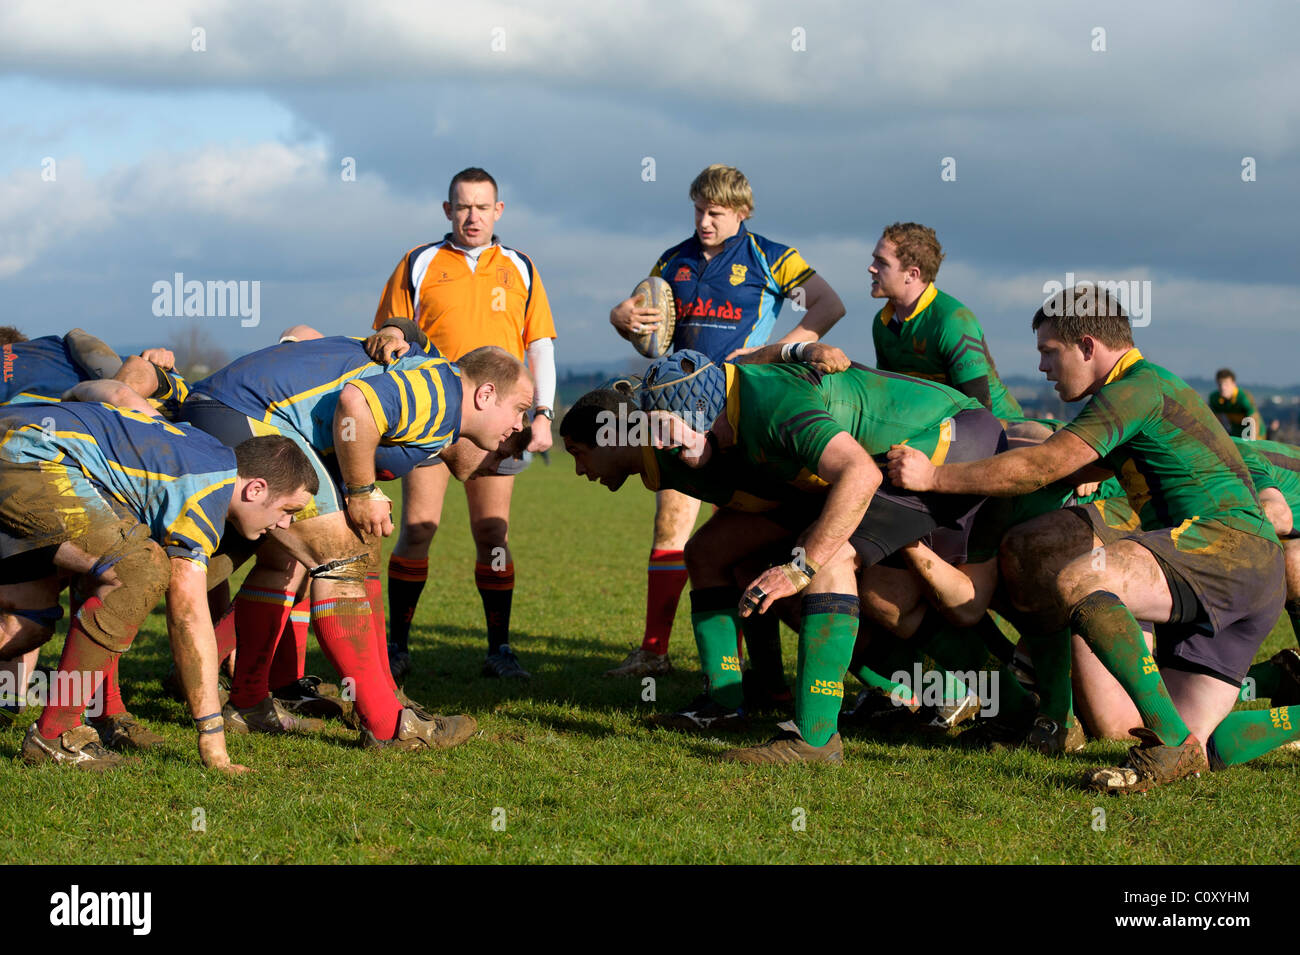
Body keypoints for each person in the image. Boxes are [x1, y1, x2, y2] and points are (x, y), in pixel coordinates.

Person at [887, 284, 1297, 792]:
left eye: (1048, 352)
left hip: (1221, 547)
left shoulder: (1135, 388)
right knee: (1178, 739)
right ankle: (1209, 736)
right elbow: (1060, 467)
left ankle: (1165, 743)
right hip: (1255, 577)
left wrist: (932, 479)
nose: (1042, 368)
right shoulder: (1144, 391)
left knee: (1081, 576)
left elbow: (1041, 465)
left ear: (1087, 345)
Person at [563, 347, 1004, 764]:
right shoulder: (679, 417)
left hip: (941, 439)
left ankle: (834, 729)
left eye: (580, 455)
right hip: (842, 475)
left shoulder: (765, 404)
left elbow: (855, 471)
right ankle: (729, 701)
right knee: (711, 554)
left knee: (851, 581)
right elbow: (731, 375)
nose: (580, 471)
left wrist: (798, 566)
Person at [181, 337, 531, 750]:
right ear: (485, 394)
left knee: (285, 560)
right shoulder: (443, 393)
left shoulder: (439, 388)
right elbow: (356, 402)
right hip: (243, 413)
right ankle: (387, 724)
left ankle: (249, 702)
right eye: (520, 410)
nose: (521, 427)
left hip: (227, 406)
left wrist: (398, 327)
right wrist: (361, 491)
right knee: (340, 559)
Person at [603, 164, 846, 679]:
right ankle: (654, 651)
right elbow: (643, 324)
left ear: (741, 212)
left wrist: (779, 348)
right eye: (698, 210)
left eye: (715, 213)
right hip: (681, 411)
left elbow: (829, 303)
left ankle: (744, 668)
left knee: (735, 540)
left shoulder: (769, 257)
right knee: (670, 529)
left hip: (744, 411)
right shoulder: (675, 260)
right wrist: (621, 319)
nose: (704, 222)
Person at [0, 399, 316, 771]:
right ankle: (56, 735)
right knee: (140, 569)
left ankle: (91, 716)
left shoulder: (207, 456)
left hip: (22, 441)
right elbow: (187, 617)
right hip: (30, 454)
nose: (284, 525)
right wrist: (212, 735)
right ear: (256, 489)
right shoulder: (205, 493)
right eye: (287, 511)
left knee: (27, 625)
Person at [372, 167, 557, 681]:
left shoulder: (519, 266)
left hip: (501, 425)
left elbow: (539, 345)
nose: (472, 215)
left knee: (492, 534)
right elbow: (389, 337)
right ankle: (397, 646)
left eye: (482, 206)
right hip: (432, 419)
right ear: (447, 209)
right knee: (417, 528)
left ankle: (500, 649)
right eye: (462, 206)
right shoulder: (419, 262)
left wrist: (541, 413)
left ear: (498, 211)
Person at [869, 222, 1023, 422]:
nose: (871, 268)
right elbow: (888, 397)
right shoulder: (882, 323)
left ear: (912, 274)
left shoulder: (953, 321)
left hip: (999, 425)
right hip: (942, 425)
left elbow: (980, 412)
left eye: (882, 262)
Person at [1208, 369, 1259, 438]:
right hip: (1235, 434)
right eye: (1220, 384)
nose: (1223, 388)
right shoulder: (1215, 399)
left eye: (1226, 384)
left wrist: (1252, 443)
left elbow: (1254, 420)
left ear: (1233, 384)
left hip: (1255, 435)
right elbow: (1215, 422)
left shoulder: (1243, 398)